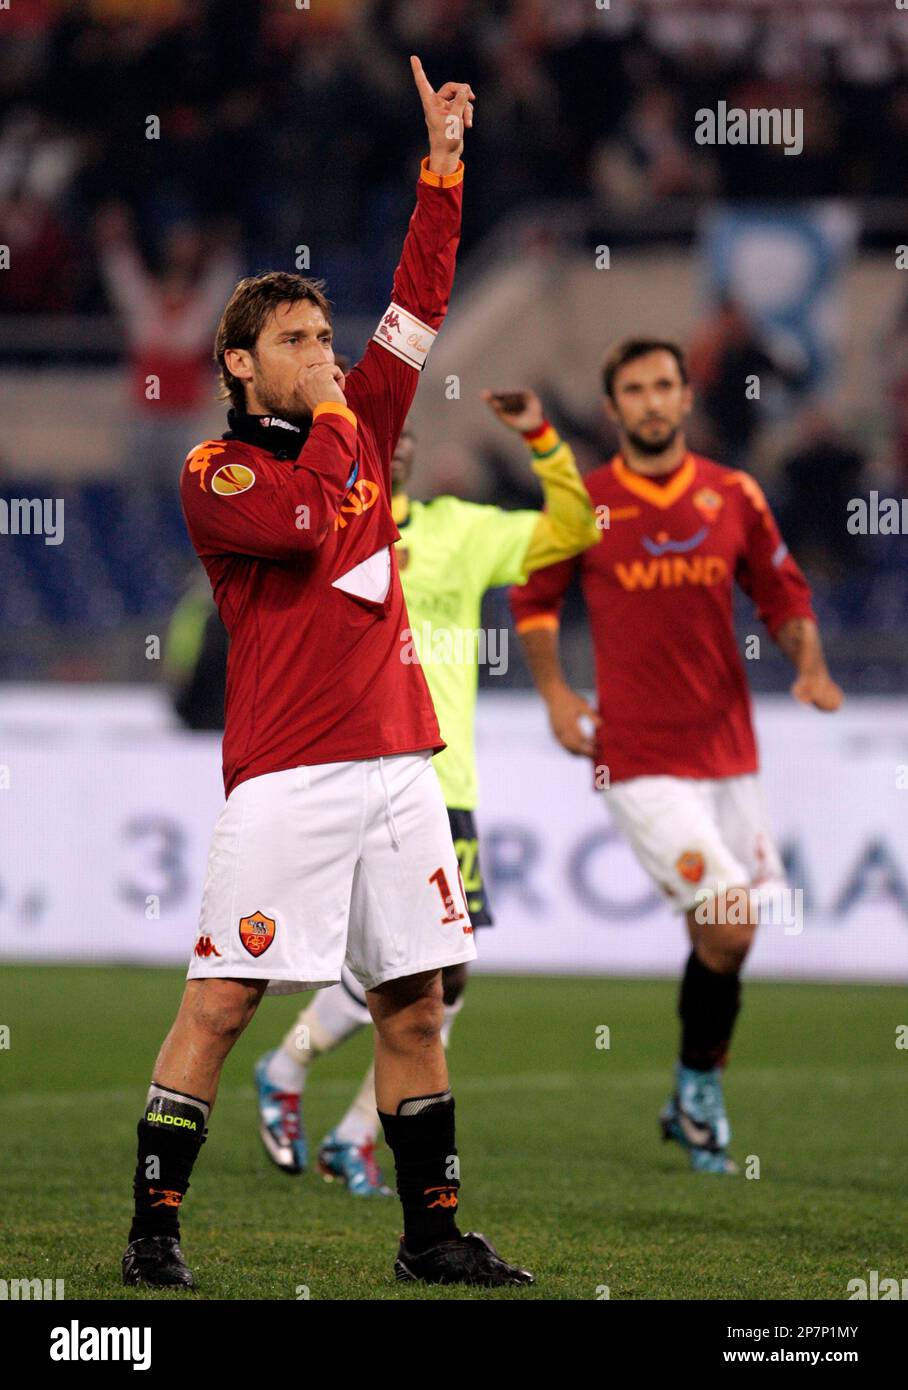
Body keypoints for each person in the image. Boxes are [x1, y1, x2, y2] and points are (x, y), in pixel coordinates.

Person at [121, 55, 533, 1291]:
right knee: (223, 1006)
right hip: (288, 776)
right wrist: (353, 418)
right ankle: (154, 1232)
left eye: (321, 334)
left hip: (400, 767)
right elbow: (310, 522)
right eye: (294, 340)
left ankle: (431, 1236)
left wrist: (443, 173)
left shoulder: (358, 423)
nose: (322, 352)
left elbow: (415, 305)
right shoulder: (219, 473)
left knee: (414, 1007)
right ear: (240, 364)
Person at [510, 338, 843, 1174]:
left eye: (665, 385)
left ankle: (690, 1092)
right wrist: (554, 693)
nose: (652, 401)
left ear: (686, 399)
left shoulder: (733, 495)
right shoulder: (582, 502)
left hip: (730, 752)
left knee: (723, 936)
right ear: (614, 408)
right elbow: (536, 599)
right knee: (731, 924)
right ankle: (699, 1093)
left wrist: (808, 663)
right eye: (634, 390)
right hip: (638, 754)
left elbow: (782, 591)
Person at [253, 394, 600, 1194]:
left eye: (405, 426)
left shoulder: (458, 530)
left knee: (444, 976)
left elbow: (576, 530)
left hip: (446, 782)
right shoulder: (318, 528)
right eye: (379, 429)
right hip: (350, 764)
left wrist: (545, 439)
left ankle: (330, 1115)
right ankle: (296, 1080)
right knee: (401, 970)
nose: (397, 440)